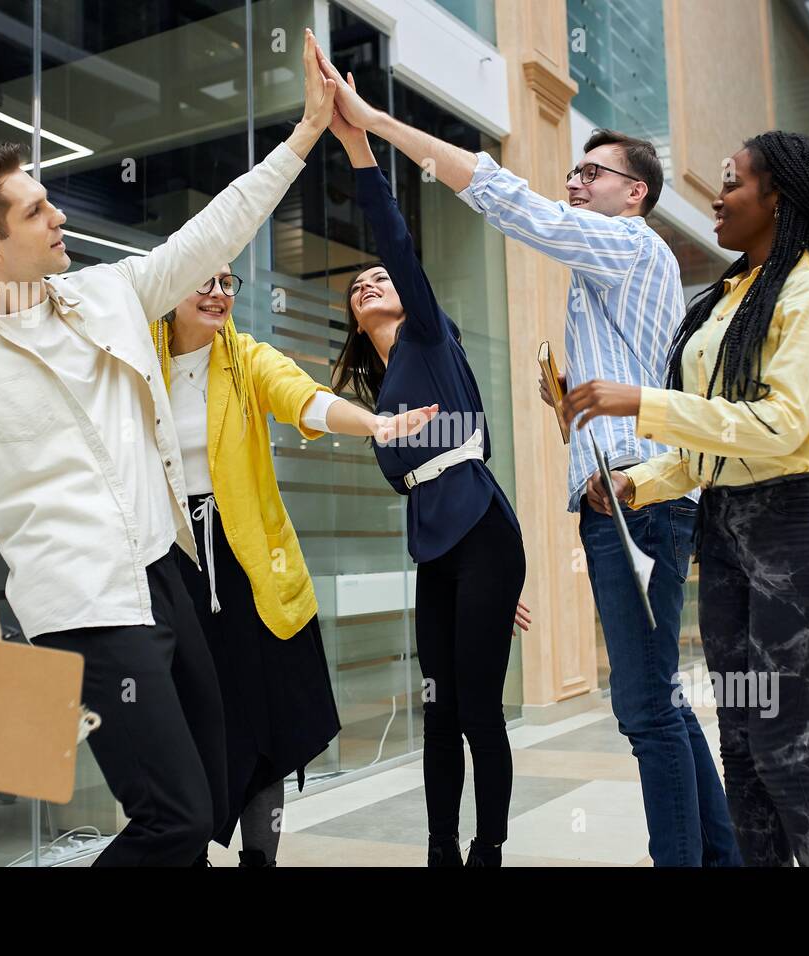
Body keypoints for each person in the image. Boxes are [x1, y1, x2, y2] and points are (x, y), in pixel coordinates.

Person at [0, 30, 337, 867]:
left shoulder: (107, 293)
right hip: (85, 611)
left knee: (210, 797)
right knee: (174, 819)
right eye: (36, 211)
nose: (59, 215)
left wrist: (302, 137)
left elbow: (212, 233)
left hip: (165, 576)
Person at [315, 51, 740, 867]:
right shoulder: (600, 278)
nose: (574, 183)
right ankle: (720, 858)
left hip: (633, 498)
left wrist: (367, 131)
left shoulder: (626, 246)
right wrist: (568, 404)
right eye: (574, 172)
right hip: (609, 495)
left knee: (646, 711)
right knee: (662, 707)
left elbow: (509, 205)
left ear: (635, 193)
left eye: (591, 173)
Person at [562, 131, 809, 867]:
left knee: (785, 747)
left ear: (779, 198)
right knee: (738, 743)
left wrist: (643, 405)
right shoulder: (726, 299)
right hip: (727, 524)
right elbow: (713, 444)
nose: (716, 194)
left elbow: (777, 425)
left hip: (799, 524)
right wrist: (643, 483)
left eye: (734, 182)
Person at [150, 265, 436, 866]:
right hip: (167, 562)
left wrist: (374, 424)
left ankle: (261, 860)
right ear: (169, 283)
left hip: (248, 564)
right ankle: (188, 854)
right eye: (203, 280)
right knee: (182, 724)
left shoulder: (247, 358)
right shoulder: (137, 356)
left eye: (229, 283)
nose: (218, 294)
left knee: (262, 723)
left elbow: (303, 400)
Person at [327, 90, 529, 868]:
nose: (372, 282)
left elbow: (396, 239)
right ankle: (441, 849)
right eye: (358, 286)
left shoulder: (430, 337)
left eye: (381, 277)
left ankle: (489, 849)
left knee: (479, 707)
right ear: (351, 317)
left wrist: (358, 146)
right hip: (439, 549)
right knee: (438, 707)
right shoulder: (377, 400)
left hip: (481, 529)